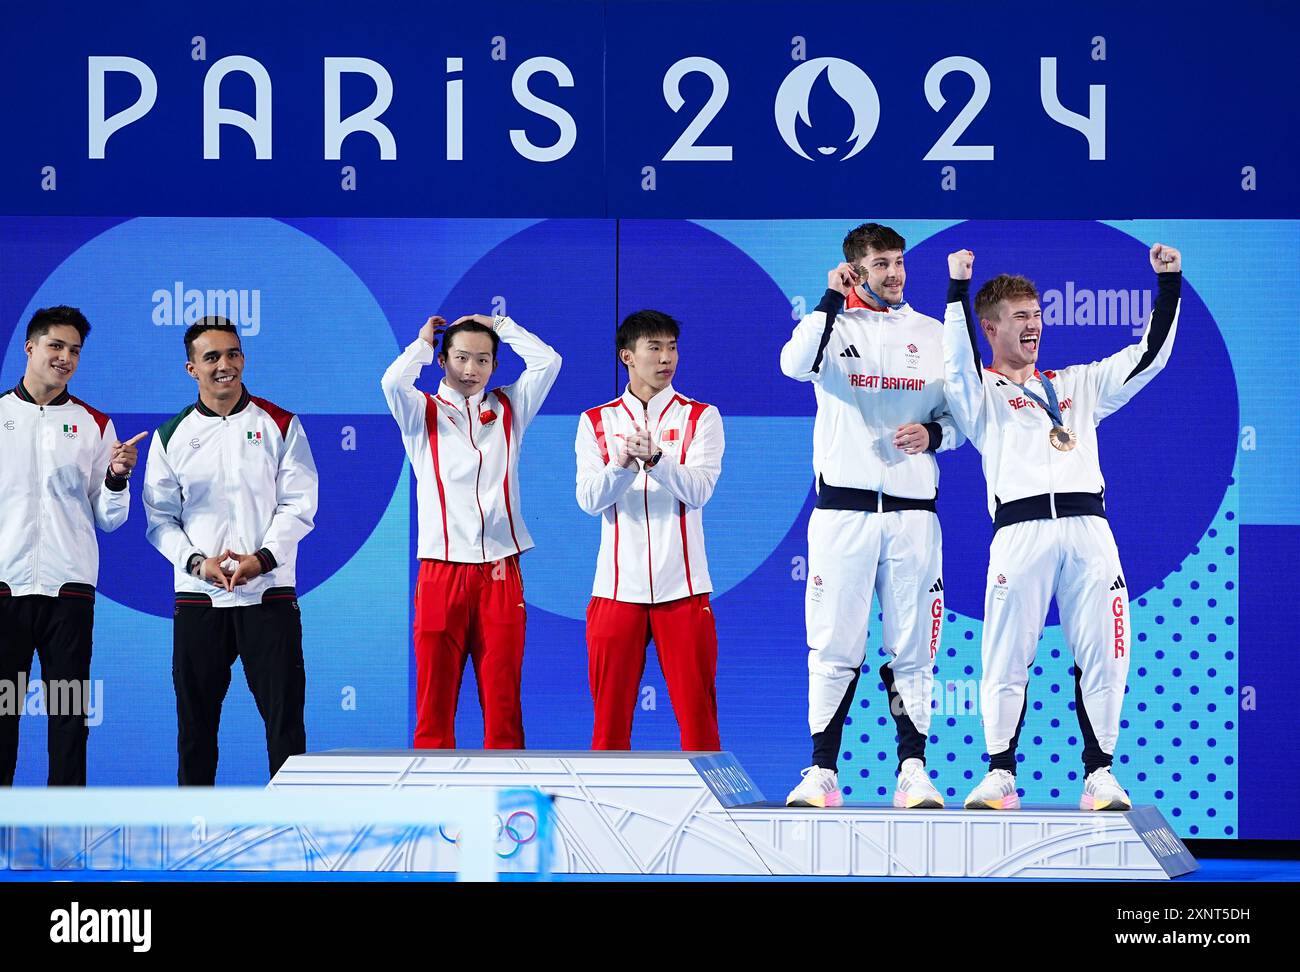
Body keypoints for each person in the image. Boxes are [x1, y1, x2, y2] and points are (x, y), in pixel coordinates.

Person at [941, 244, 1183, 811]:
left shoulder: (1078, 385)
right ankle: (1000, 773)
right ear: (990, 327)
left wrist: (1168, 283)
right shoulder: (980, 395)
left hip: (1088, 528)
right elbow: (954, 365)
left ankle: (1100, 774)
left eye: (1038, 315)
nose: (1034, 325)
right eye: (1021, 317)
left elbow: (1148, 357)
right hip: (1018, 530)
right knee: (1005, 654)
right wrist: (956, 288)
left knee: (1106, 650)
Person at [780, 223, 962, 809]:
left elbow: (965, 419)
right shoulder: (830, 329)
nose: (895, 273)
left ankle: (913, 771)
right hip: (842, 513)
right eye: (880, 263)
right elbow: (792, 363)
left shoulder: (933, 335)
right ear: (855, 269)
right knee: (834, 645)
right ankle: (821, 773)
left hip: (914, 516)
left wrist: (933, 433)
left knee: (913, 649)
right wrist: (830, 300)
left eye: (900, 262)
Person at [143, 317, 318, 784]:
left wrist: (261, 559)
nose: (226, 365)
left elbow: (299, 505)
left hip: (269, 596)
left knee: (286, 727)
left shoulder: (280, 423)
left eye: (233, 354)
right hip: (199, 600)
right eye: (212, 357)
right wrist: (197, 564)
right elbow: (160, 521)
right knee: (195, 729)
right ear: (191, 369)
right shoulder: (169, 436)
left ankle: (294, 832)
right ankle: (195, 836)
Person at [381, 312, 560, 749]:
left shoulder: (511, 407)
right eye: (460, 358)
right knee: (434, 704)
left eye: (482, 360)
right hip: (441, 571)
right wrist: (422, 344)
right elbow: (391, 383)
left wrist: (501, 325)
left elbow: (549, 362)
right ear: (442, 361)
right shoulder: (419, 411)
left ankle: (508, 814)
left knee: (503, 702)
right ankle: (431, 811)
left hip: (500, 569)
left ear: (495, 367)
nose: (470, 369)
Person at [0, 306, 143, 785]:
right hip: (5, 591)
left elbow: (109, 518)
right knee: (2, 716)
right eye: (56, 346)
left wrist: (118, 478)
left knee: (67, 718)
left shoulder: (94, 425)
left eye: (75, 351)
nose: (65, 357)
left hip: (69, 594)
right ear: (31, 348)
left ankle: (64, 834)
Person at [576, 310, 724, 751]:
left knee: (699, 719)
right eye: (654, 348)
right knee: (608, 725)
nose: (666, 358)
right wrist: (621, 465)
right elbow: (589, 500)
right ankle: (601, 814)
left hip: (685, 589)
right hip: (615, 593)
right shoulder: (595, 421)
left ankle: (712, 815)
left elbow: (699, 491)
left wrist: (658, 460)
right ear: (627, 356)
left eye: (672, 347)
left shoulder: (702, 417)